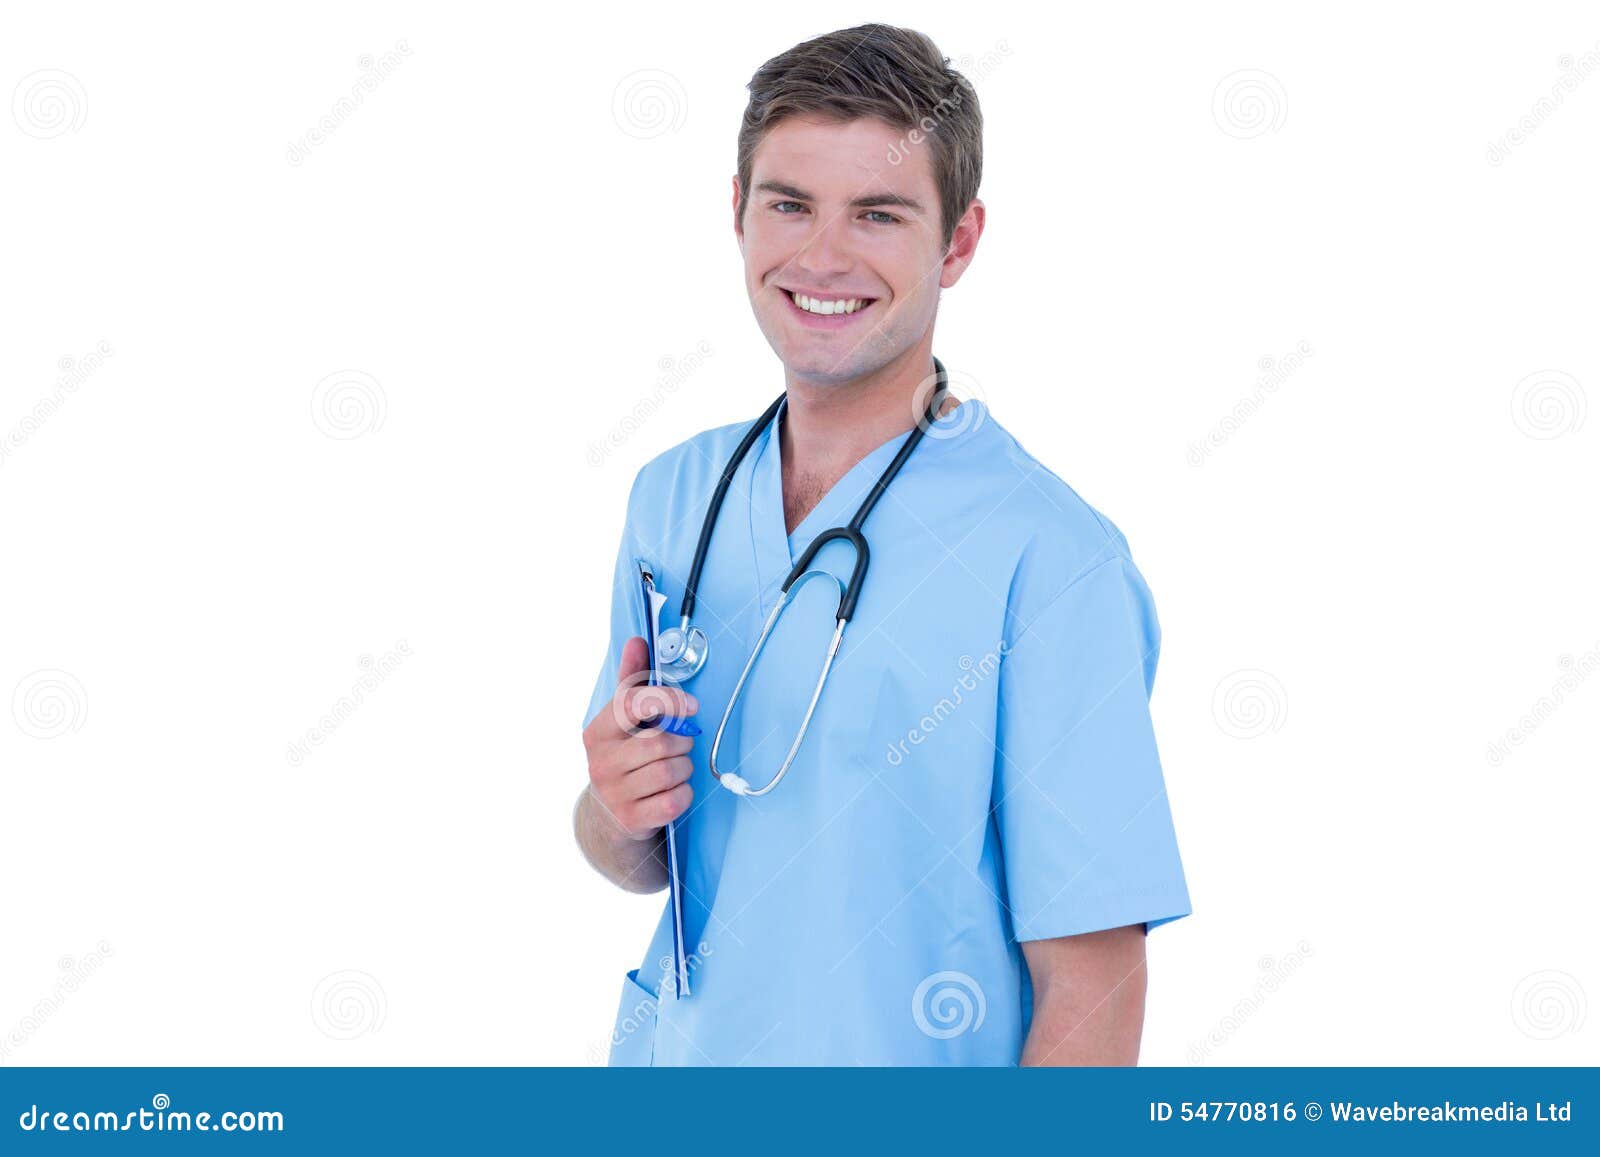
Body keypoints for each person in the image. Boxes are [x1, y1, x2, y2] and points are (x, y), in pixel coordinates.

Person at [575, 22, 1191, 1066]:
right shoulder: (674, 496)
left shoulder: (1049, 557)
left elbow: (1093, 977)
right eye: (788, 204)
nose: (821, 256)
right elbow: (631, 851)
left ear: (956, 242)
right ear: (736, 212)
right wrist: (614, 802)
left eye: (878, 214)